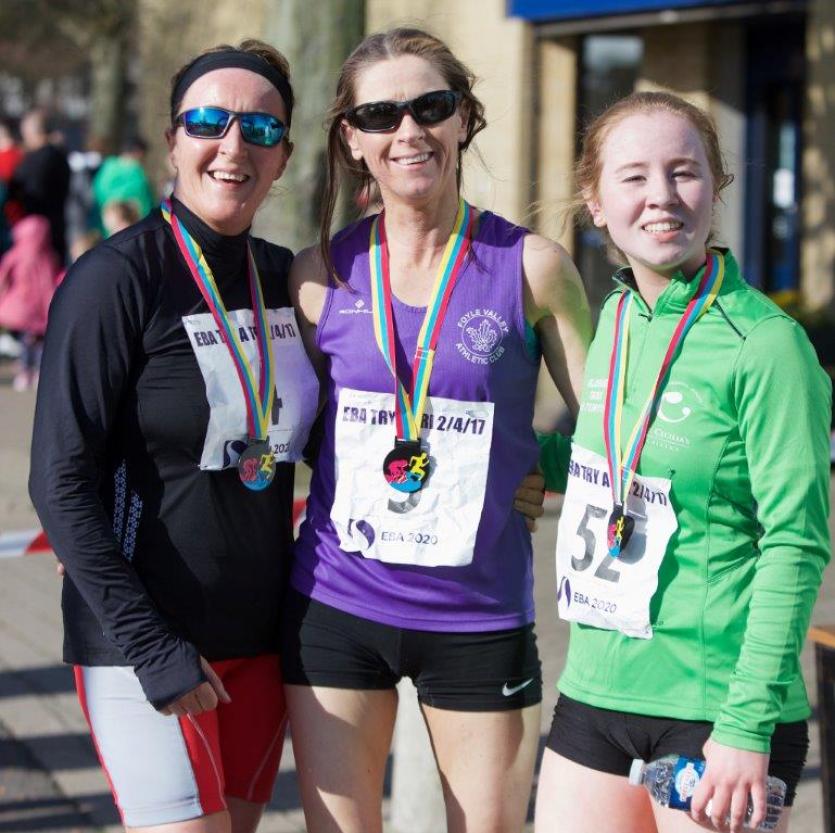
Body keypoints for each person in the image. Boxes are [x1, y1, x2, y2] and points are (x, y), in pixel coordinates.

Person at [283, 27, 592, 833]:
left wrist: (537, 459)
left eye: (430, 106)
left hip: (478, 614)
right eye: (381, 114)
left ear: (464, 119)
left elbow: (611, 426)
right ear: (352, 139)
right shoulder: (318, 277)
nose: (408, 130)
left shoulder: (531, 267)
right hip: (336, 605)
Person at [29, 40, 319, 833]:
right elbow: (57, 482)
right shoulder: (115, 279)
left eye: (260, 129)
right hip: (145, 642)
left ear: (284, 155)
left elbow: (325, 440)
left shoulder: (282, 274)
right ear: (172, 140)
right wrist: (152, 644)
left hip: (261, 646)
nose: (233, 145)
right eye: (208, 121)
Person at [534, 91, 831, 833]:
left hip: (715, 709)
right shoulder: (616, 319)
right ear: (594, 201)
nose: (661, 196)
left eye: (683, 172)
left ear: (716, 186)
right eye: (633, 177)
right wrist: (513, 458)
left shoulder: (766, 345)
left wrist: (745, 725)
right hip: (593, 695)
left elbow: (796, 542)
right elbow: (612, 468)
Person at [0, 214, 61, 390]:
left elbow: (3, 276)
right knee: (41, 341)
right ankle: (40, 371)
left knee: (26, 341)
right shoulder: (49, 255)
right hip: (43, 306)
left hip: (22, 305)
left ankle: (25, 371)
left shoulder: (16, 253)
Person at [9, 109, 70, 262]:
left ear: (33, 132)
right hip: (54, 227)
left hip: (39, 232)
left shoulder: (42, 159)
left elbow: (33, 192)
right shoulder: (56, 155)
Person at [93, 136, 156, 224]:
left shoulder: (107, 167)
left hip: (107, 226)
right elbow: (145, 202)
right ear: (138, 152)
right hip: (134, 227)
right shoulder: (136, 172)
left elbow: (97, 195)